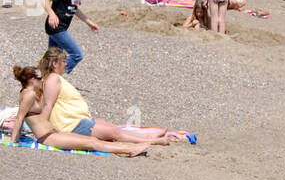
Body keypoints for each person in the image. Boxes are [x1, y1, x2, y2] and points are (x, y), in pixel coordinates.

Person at [37, 48, 179, 145]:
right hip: (71, 125)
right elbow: (48, 105)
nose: (66, 64)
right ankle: (151, 140)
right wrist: (41, 131)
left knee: (110, 127)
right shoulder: (53, 80)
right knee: (114, 132)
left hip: (77, 121)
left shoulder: (54, 79)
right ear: (55, 64)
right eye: (63, 61)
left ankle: (146, 137)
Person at [9, 66, 148, 156]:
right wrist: (13, 142)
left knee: (93, 140)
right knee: (92, 143)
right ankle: (130, 150)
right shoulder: (29, 94)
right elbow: (20, 117)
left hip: (52, 133)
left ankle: (129, 147)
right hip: (49, 137)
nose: (42, 80)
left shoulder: (29, 92)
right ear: (32, 80)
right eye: (40, 78)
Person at [43, 0, 99, 75]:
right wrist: (52, 14)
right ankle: (56, 76)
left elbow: (75, 8)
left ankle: (42, 81)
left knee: (52, 59)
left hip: (61, 27)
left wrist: (88, 22)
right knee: (76, 54)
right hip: (56, 26)